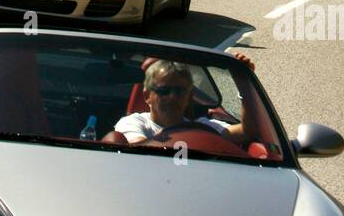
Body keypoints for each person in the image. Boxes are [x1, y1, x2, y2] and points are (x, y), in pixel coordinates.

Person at [108, 52, 256, 147]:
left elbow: (247, 132)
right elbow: (141, 151)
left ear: (189, 97)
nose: (172, 97)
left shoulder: (202, 125)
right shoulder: (134, 123)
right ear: (147, 96)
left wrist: (243, 84)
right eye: (164, 91)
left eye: (179, 91)